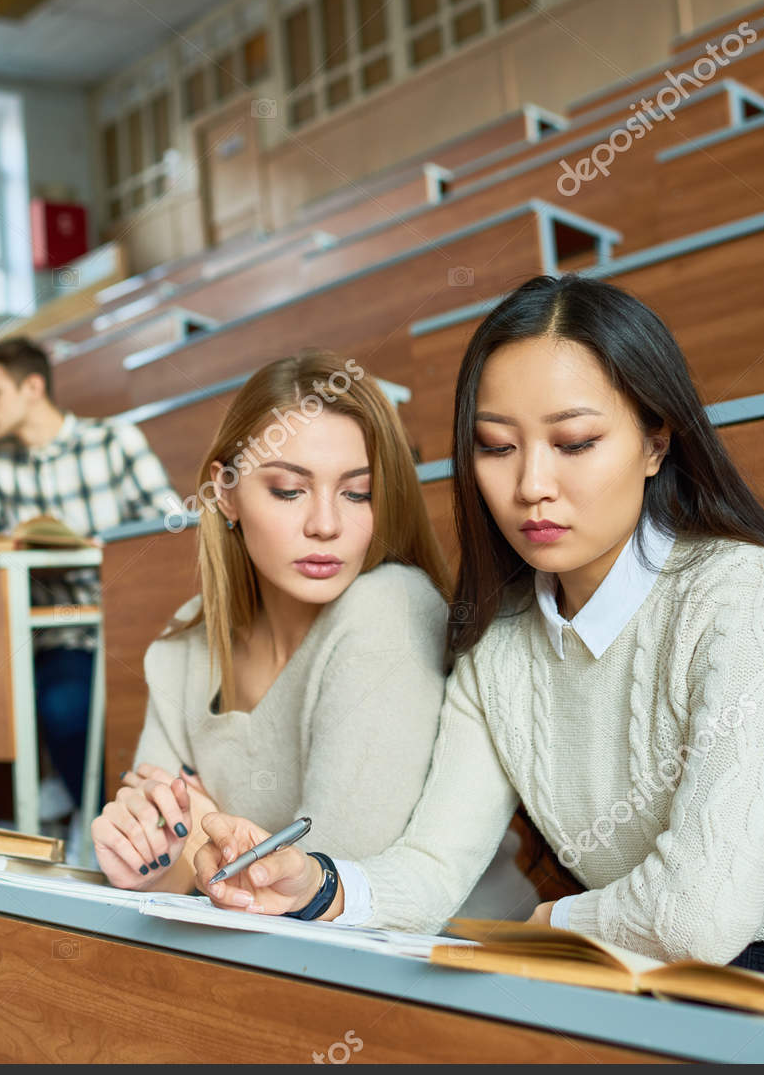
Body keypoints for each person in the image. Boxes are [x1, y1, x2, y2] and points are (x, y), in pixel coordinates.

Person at [193, 275, 764, 1021]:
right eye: (496, 447)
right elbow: (431, 869)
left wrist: (550, 927)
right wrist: (312, 883)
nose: (532, 484)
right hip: (646, 980)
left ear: (656, 442)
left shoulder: (747, 598)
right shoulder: (498, 655)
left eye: (574, 442)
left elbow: (699, 912)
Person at [92, 348, 535, 922]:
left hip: (446, 964)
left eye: (357, 493)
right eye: (288, 489)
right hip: (274, 966)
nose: (325, 524)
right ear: (224, 491)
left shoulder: (390, 609)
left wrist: (202, 821)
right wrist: (145, 853)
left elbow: (334, 874)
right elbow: (177, 868)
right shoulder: (184, 642)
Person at [0, 337, 182, 833]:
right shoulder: (0, 461)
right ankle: (84, 813)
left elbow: (171, 528)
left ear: (32, 387)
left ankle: (95, 815)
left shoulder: (114, 440)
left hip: (124, 622)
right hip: (52, 632)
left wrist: (96, 547)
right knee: (32, 700)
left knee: (70, 705)